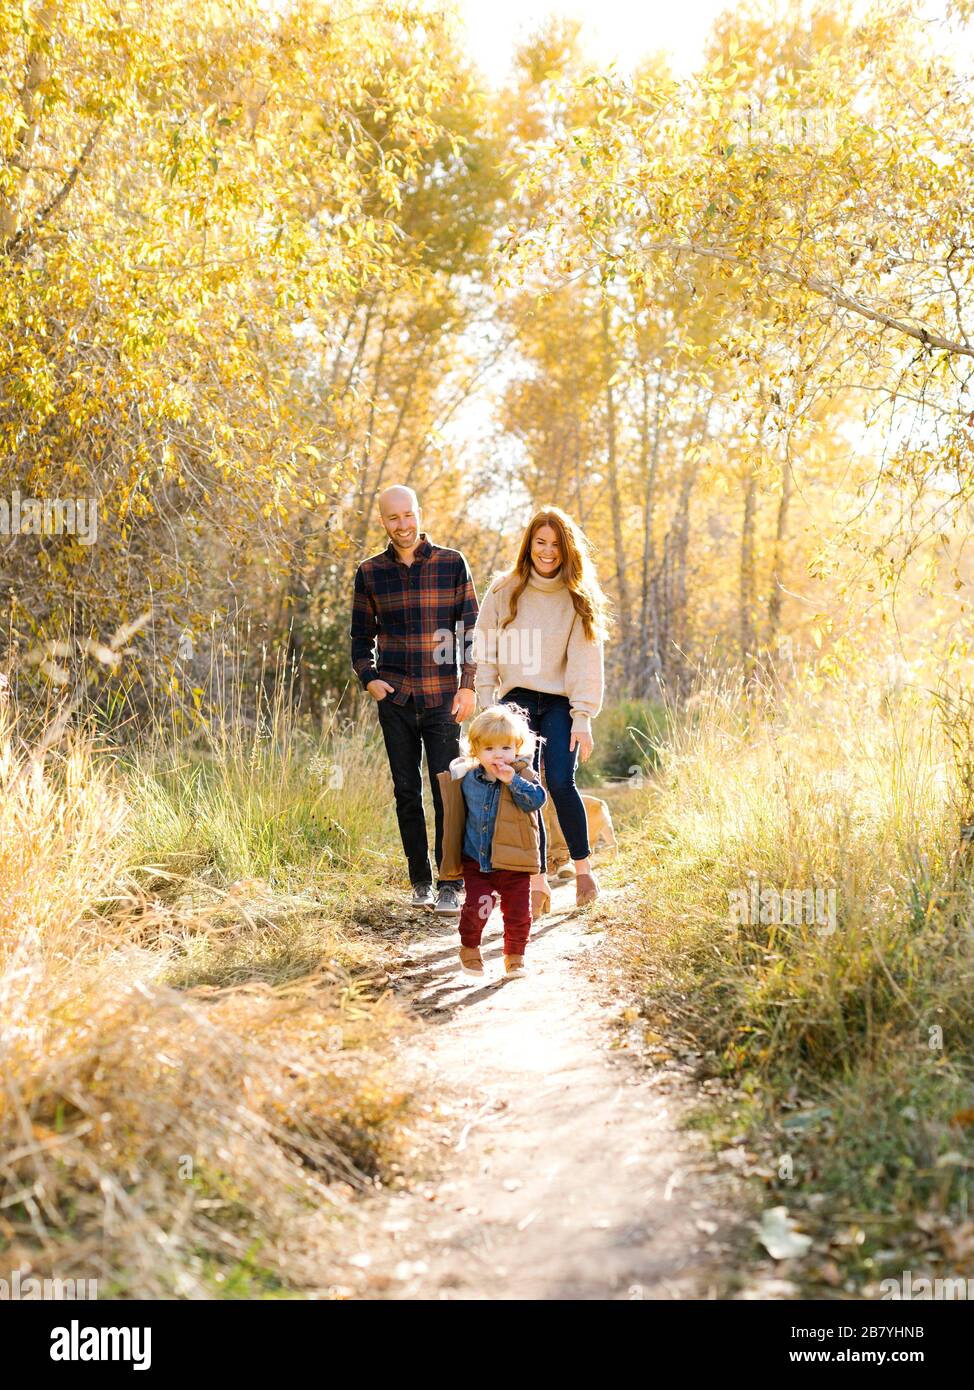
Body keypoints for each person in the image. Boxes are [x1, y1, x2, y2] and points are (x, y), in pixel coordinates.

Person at [473, 506, 608, 915]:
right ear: (529, 544)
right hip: (513, 700)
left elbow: (587, 659)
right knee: (523, 785)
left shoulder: (577, 596)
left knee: (562, 782)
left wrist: (582, 716)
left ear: (567, 550)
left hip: (559, 701)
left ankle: (584, 871)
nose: (547, 552)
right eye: (540, 543)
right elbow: (485, 648)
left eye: (555, 545)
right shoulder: (504, 589)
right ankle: (537, 878)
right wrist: (485, 706)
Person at [350, 485, 478, 915]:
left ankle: (450, 883)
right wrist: (369, 678)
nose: (402, 525)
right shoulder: (370, 573)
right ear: (383, 521)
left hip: (444, 698)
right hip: (397, 698)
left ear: (419, 514)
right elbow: (359, 638)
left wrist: (468, 684)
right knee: (406, 790)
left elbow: (471, 631)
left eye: (408, 516)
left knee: (447, 791)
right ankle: (420, 881)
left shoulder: (451, 563)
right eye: (393, 518)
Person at [436, 704, 547, 978]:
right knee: (478, 907)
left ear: (517, 748)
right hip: (478, 861)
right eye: (489, 749)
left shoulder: (523, 776)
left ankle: (515, 956)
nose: (498, 755)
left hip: (514, 863)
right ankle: (470, 949)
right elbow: (455, 813)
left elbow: (537, 801)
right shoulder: (468, 780)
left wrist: (513, 782)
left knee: (519, 913)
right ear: (476, 750)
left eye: (506, 748)